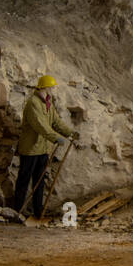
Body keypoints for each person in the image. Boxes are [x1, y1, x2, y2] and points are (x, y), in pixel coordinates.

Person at [12, 74, 79, 217]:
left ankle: (38, 211)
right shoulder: (33, 103)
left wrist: (70, 133)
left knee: (40, 181)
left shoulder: (48, 103)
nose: (53, 89)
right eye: (52, 86)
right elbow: (40, 126)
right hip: (30, 149)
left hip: (43, 149)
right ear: (45, 87)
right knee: (24, 180)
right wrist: (56, 138)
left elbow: (56, 122)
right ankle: (17, 210)